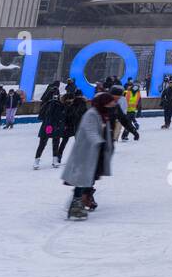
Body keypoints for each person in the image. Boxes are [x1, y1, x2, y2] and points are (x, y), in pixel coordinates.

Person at [62, 91, 117, 219]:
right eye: (110, 101)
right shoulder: (92, 114)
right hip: (86, 151)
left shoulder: (103, 114)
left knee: (89, 178)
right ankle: (75, 205)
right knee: (82, 178)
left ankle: (80, 201)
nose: (112, 104)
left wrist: (107, 146)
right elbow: (90, 131)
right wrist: (99, 142)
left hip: (96, 152)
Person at [34, 94, 65, 169]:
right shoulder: (60, 105)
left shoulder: (46, 104)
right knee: (55, 143)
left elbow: (40, 116)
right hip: (55, 126)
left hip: (46, 126)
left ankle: (36, 161)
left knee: (42, 144)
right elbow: (62, 117)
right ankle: (55, 160)